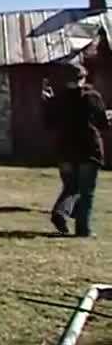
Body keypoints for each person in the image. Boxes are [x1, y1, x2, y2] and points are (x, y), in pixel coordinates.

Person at [41, 61, 109, 238]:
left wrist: (47, 103)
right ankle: (82, 229)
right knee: (86, 192)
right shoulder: (92, 96)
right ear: (83, 77)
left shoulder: (57, 99)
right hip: (88, 149)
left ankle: (61, 212)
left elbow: (49, 124)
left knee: (71, 188)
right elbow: (102, 123)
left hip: (65, 149)